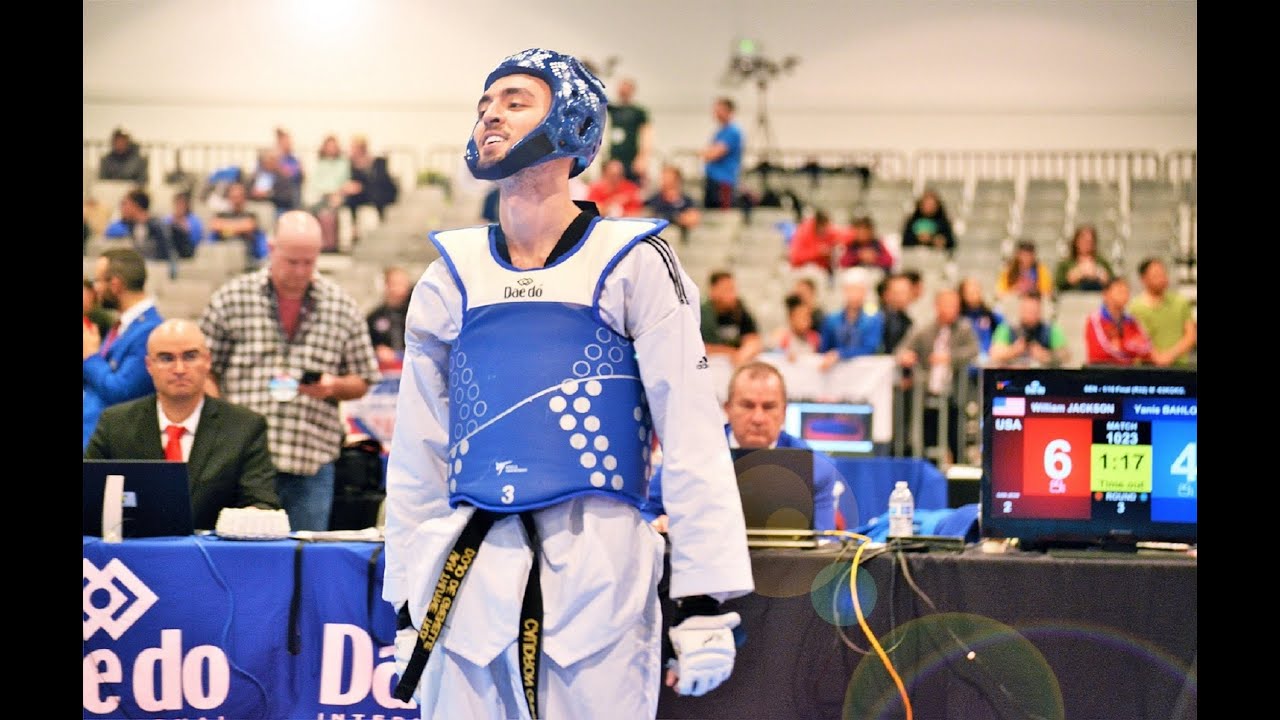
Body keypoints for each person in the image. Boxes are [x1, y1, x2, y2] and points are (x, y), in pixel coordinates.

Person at [382, 48, 753, 720]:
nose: (491, 113)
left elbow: (694, 435)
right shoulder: (449, 277)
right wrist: (408, 595)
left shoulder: (632, 264)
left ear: (574, 123)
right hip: (465, 567)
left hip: (598, 564)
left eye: (516, 100)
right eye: (484, 104)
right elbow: (417, 454)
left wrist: (704, 602)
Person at [199, 210, 380, 532]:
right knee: (237, 558)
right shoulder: (231, 298)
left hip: (309, 461)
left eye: (308, 262)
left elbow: (363, 378)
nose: (300, 271)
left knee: (304, 564)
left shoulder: (341, 306)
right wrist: (221, 415)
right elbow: (204, 368)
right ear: (271, 249)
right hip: (241, 459)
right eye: (291, 261)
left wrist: (334, 385)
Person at [85, 319, 281, 530]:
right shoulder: (115, 423)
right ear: (149, 366)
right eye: (166, 358)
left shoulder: (245, 427)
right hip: (131, 556)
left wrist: (250, 517)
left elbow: (262, 502)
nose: (179, 369)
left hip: (213, 557)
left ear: (208, 360)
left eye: (190, 356)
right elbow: (88, 494)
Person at [642, 361, 846, 533]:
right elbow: (645, 510)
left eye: (768, 407)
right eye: (747, 405)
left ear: (784, 412)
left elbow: (824, 543)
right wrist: (658, 524)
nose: (758, 418)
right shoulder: (688, 455)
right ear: (727, 409)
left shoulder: (816, 467)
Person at [84, 247, 165, 451]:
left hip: (110, 446)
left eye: (98, 281)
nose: (96, 289)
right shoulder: (123, 325)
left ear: (116, 284)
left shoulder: (149, 331)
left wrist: (91, 356)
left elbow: (122, 391)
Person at [894, 287, 980, 464]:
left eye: (954, 305)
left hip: (955, 395)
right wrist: (905, 356)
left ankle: (957, 476)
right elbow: (902, 350)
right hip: (927, 394)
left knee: (956, 438)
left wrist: (950, 357)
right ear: (937, 306)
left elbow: (973, 350)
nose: (951, 310)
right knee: (928, 437)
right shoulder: (925, 330)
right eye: (947, 305)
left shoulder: (964, 330)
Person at [104, 188, 195, 277]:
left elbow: (167, 255)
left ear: (135, 206)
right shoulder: (130, 225)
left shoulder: (158, 227)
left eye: (125, 204)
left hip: (158, 273)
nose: (122, 208)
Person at [1128, 257, 1197, 367]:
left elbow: (1191, 335)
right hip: (1147, 368)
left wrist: (1169, 356)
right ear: (1143, 279)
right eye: (1156, 275)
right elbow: (1137, 339)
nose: (1162, 278)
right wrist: (1157, 358)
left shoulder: (1180, 302)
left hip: (1180, 367)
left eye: (1163, 274)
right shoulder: (1134, 308)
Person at [988, 290, 1071, 368]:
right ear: (1021, 309)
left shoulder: (1051, 330)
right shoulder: (1006, 329)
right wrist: (1014, 351)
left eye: (1034, 310)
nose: (1030, 314)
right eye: (1027, 310)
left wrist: (1046, 356)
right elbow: (995, 354)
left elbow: (1065, 355)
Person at [818, 266, 884, 364]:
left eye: (858, 290)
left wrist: (841, 354)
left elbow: (870, 348)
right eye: (851, 289)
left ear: (865, 292)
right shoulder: (832, 319)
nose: (854, 294)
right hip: (835, 371)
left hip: (865, 371)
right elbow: (824, 348)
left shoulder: (874, 318)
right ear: (844, 291)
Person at [701, 269, 764, 367]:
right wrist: (731, 353)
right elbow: (702, 347)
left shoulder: (739, 310)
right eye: (726, 289)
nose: (732, 294)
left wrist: (743, 354)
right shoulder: (703, 313)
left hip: (736, 364)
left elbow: (753, 339)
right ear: (713, 290)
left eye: (732, 289)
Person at [1084, 276, 1152, 366]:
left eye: (1126, 291)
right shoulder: (1094, 320)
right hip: (1101, 373)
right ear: (1106, 294)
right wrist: (1130, 348)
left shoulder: (1132, 321)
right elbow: (1099, 353)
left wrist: (1121, 345)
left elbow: (1146, 349)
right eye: (1120, 291)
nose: (1124, 294)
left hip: (1128, 373)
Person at [606, 76, 652, 186]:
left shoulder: (638, 112)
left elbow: (646, 133)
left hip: (632, 157)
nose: (623, 91)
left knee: (632, 187)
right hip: (614, 157)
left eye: (626, 88)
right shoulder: (613, 109)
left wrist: (643, 157)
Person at [700, 96, 744, 210]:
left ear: (729, 111)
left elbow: (713, 154)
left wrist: (706, 153)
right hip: (713, 179)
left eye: (720, 109)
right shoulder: (720, 132)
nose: (716, 113)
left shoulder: (733, 131)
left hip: (724, 182)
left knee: (723, 216)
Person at [366, 265, 412, 370]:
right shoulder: (374, 317)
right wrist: (377, 350)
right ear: (385, 285)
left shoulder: (417, 316)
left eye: (403, 284)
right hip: (385, 372)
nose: (399, 288)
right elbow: (366, 345)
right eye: (395, 283)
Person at [644, 164, 701, 242]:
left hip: (681, 238)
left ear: (677, 180)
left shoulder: (687, 200)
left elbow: (692, 219)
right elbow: (650, 219)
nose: (664, 180)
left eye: (668, 177)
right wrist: (677, 217)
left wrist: (673, 217)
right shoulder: (654, 199)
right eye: (663, 177)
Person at [788, 209, 851, 275]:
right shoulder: (803, 231)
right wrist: (818, 252)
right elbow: (795, 257)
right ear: (817, 224)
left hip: (823, 271)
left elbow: (848, 235)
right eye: (822, 226)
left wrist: (834, 245)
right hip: (802, 270)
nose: (824, 229)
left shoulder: (829, 230)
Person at [1054, 223, 1115, 293]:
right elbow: (1058, 284)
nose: (1086, 244)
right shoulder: (1065, 263)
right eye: (1083, 240)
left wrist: (1101, 275)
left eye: (1090, 241)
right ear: (1076, 241)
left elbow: (1113, 283)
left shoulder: (1102, 262)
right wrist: (1074, 276)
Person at [900, 188, 956, 253]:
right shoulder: (912, 221)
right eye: (926, 204)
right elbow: (905, 243)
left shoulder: (943, 223)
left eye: (932, 204)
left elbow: (951, 243)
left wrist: (939, 241)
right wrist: (918, 239)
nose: (929, 207)